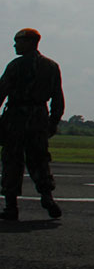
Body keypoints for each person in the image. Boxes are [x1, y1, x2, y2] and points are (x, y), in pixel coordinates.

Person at [0, 28, 64, 221]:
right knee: (40, 160)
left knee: (12, 161)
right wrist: (53, 122)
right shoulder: (51, 66)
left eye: (18, 41)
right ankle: (47, 197)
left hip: (16, 120)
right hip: (39, 119)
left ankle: (11, 207)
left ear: (29, 42)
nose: (14, 45)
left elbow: (1, 92)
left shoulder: (15, 66)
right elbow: (58, 98)